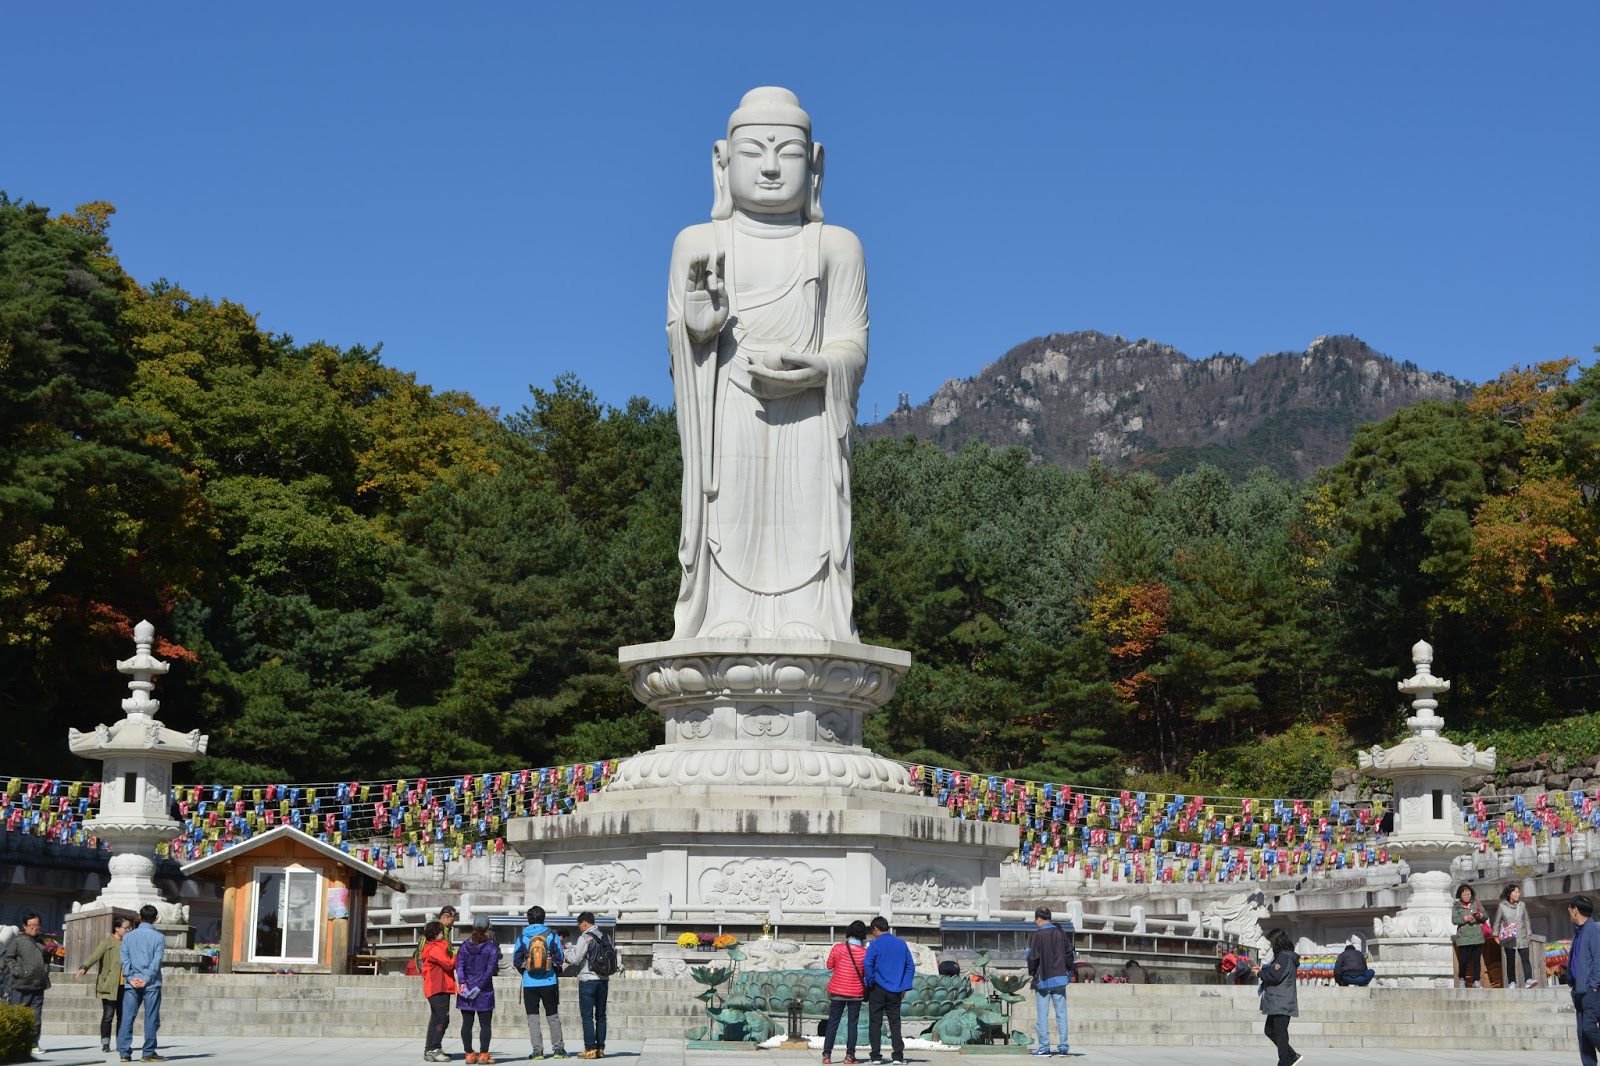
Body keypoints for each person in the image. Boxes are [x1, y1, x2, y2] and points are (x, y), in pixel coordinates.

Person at [666, 86, 869, 642]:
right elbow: (683, 347)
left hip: (808, 413)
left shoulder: (836, 246)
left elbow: (852, 342)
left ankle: (808, 612)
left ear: (817, 163)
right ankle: (725, 611)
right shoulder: (699, 243)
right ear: (721, 160)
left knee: (807, 515)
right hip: (727, 405)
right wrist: (700, 326)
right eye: (754, 151)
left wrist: (824, 368)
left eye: (790, 152)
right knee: (729, 512)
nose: (773, 168)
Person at [514, 905, 567, 1058]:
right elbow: (560, 958)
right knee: (553, 1015)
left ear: (529, 919)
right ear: (543, 918)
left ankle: (537, 1051)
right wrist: (552, 971)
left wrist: (526, 971)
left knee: (533, 1017)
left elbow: (517, 960)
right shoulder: (551, 935)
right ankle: (558, 1050)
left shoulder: (522, 936)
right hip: (549, 981)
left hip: (530, 983)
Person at [861, 915, 914, 1065]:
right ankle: (897, 1056)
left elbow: (867, 964)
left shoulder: (875, 944)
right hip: (896, 989)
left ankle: (876, 1056)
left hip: (877, 987)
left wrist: (870, 981)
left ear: (876, 929)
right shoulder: (901, 944)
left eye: (873, 931)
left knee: (875, 1021)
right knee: (895, 1022)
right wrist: (904, 986)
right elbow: (910, 966)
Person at [119, 904, 167, 1063]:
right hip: (151, 983)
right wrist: (146, 978)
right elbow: (156, 961)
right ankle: (148, 1052)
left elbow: (125, 960)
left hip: (131, 983)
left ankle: (124, 1053)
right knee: (151, 1017)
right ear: (156, 918)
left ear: (140, 917)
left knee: (127, 1017)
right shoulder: (159, 937)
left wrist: (131, 977)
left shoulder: (127, 937)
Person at [0, 908, 51, 1056]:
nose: (35, 928)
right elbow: (9, 958)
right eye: (31, 925)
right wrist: (18, 971)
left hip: (38, 986)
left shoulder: (41, 943)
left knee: (36, 1018)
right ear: (25, 926)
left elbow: (46, 960)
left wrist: (45, 969)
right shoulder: (18, 941)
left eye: (37, 925)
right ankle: (15, 1044)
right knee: (19, 1016)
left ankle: (34, 1044)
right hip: (20, 986)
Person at [79, 915, 132, 1052]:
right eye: (126, 928)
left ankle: (121, 1044)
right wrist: (84, 967)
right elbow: (95, 956)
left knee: (122, 1016)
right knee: (108, 1015)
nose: (128, 930)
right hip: (109, 984)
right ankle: (105, 1043)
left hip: (125, 985)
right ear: (117, 928)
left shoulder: (129, 943)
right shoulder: (107, 943)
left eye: (129, 928)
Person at [1249, 927, 1300, 1066]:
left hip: (1281, 1001)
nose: (1270, 945)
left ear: (1277, 941)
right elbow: (1275, 972)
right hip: (1278, 1001)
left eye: (1271, 942)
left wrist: (1259, 974)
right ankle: (1291, 1056)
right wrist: (1262, 970)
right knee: (1270, 1030)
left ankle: (1285, 1061)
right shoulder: (1283, 956)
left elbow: (1274, 976)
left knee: (1280, 1034)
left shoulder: (1284, 957)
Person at [1026, 907, 1073, 1056]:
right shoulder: (1060, 933)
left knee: (1042, 1015)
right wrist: (1067, 971)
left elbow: (1032, 957)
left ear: (1039, 919)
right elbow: (1069, 953)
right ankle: (1064, 1047)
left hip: (1044, 979)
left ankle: (1044, 1047)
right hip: (1059, 978)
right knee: (1061, 1014)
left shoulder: (1037, 935)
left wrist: (1033, 973)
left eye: (1036, 921)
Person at [456, 914, 501, 1064]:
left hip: (466, 989)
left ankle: (469, 1054)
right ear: (488, 928)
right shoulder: (491, 947)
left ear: (473, 927)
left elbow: (459, 966)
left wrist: (463, 983)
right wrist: (479, 986)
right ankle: (483, 1054)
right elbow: (490, 970)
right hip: (484, 990)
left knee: (467, 1024)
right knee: (485, 1024)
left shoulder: (464, 946)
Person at [822, 919, 868, 1064]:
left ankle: (827, 1055)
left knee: (833, 1023)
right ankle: (849, 1056)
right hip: (856, 993)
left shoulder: (838, 948)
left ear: (848, 932)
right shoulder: (865, 953)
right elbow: (866, 973)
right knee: (852, 1024)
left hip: (837, 991)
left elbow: (829, 965)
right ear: (863, 935)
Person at [567, 911, 612, 1060]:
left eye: (579, 924)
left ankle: (590, 1048)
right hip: (603, 980)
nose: (579, 927)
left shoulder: (585, 937)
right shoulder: (605, 936)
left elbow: (576, 958)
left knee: (587, 1016)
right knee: (601, 1015)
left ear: (584, 923)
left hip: (588, 980)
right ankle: (600, 1049)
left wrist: (566, 954)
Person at [1568, 895, 1600, 1066]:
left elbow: (1598, 959)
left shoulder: (1594, 929)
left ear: (1575, 910)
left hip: (1591, 990)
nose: (1569, 913)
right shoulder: (1578, 932)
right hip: (1578, 989)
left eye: (1570, 909)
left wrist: (1594, 985)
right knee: (1583, 1034)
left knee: (1589, 1028)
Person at [421, 919, 459, 1062]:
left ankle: (430, 1050)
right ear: (436, 934)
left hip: (436, 988)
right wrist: (456, 955)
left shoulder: (432, 947)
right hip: (438, 988)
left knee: (436, 1019)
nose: (443, 934)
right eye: (441, 932)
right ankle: (434, 1049)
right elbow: (449, 965)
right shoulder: (436, 949)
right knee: (443, 1019)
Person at [1497, 884, 1536, 989]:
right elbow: (1497, 922)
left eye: (1519, 892)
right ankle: (1512, 982)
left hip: (1522, 936)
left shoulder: (1522, 905)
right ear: (1510, 894)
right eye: (1516, 892)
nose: (1518, 894)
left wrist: (1529, 930)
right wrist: (1495, 936)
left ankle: (1528, 980)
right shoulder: (1502, 906)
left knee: (1525, 959)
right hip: (1509, 938)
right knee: (1510, 962)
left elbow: (1526, 919)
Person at [1452, 883, 1487, 988]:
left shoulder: (1476, 903)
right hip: (1464, 937)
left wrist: (1479, 915)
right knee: (1463, 960)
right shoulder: (1456, 906)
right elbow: (1454, 920)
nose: (1467, 896)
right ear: (1460, 895)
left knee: (1476, 961)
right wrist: (1465, 919)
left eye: (1468, 894)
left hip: (1477, 936)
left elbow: (1485, 915)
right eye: (1464, 895)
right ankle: (1462, 979)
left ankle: (1476, 980)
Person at [414, 905, 459, 970]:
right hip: (432, 969)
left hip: (441, 966)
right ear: (443, 917)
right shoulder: (433, 930)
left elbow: (448, 951)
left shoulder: (445, 932)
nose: (453, 923)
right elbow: (420, 952)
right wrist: (423, 970)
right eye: (452, 920)